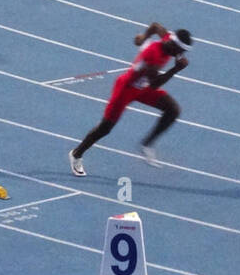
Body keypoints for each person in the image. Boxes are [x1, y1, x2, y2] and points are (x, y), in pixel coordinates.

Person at [67, 23, 193, 176]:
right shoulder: (153, 55)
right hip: (126, 89)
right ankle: (76, 154)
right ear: (173, 45)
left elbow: (155, 26)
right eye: (181, 51)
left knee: (173, 110)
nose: (182, 54)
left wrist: (143, 37)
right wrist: (175, 69)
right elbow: (154, 84)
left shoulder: (168, 40)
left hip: (143, 87)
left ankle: (147, 144)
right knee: (105, 128)